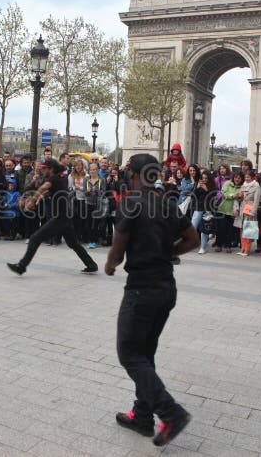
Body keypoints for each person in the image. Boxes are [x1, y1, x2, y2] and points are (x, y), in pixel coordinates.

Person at [104, 153, 197, 447]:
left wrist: (110, 264)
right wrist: (169, 253)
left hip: (141, 289)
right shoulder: (168, 203)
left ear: (132, 173)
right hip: (166, 287)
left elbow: (118, 250)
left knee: (129, 354)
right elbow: (192, 240)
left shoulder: (129, 203)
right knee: (145, 353)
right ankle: (142, 416)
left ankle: (171, 413)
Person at [7, 158, 98, 275]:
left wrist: (32, 201)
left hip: (60, 217)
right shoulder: (60, 178)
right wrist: (38, 199)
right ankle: (91, 265)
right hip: (65, 216)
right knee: (73, 243)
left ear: (51, 169)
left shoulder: (54, 178)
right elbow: (49, 192)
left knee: (35, 238)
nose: (42, 170)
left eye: (44, 168)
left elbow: (43, 188)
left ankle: (21, 266)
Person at [215, 171, 243, 253]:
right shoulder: (227, 183)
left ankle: (228, 245)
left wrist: (239, 197)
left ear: (242, 179)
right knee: (221, 228)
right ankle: (218, 245)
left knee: (230, 230)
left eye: (239, 178)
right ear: (233, 177)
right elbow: (224, 193)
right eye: (236, 177)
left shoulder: (242, 187)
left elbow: (241, 199)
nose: (237, 179)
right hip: (223, 209)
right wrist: (233, 195)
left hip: (233, 211)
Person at [237, 169, 261, 257]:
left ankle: (247, 249)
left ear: (252, 177)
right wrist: (239, 196)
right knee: (242, 229)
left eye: (248, 177)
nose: (246, 178)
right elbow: (239, 198)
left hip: (250, 209)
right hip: (243, 209)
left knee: (249, 229)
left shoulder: (256, 186)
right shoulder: (243, 185)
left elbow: (257, 200)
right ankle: (242, 248)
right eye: (245, 177)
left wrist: (253, 211)